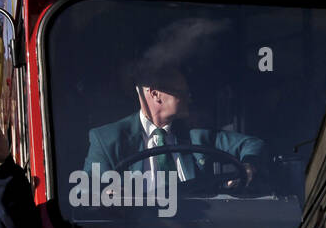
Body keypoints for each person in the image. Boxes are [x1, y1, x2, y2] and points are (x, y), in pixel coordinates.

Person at [83, 54, 266, 190]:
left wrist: (248, 165)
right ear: (156, 95)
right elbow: (90, 192)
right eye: (182, 92)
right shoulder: (107, 139)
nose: (189, 98)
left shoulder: (196, 133)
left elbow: (252, 144)